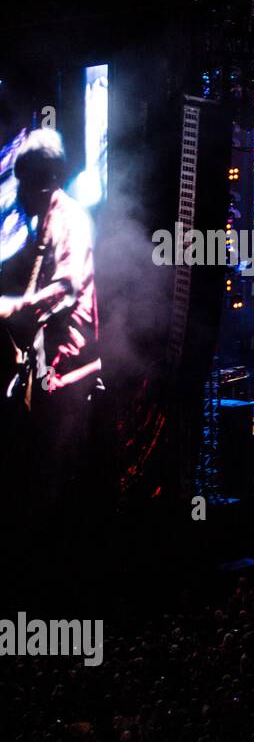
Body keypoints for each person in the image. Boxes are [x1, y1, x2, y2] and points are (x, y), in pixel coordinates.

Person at [0, 129, 102, 504]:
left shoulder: (69, 220)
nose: (20, 198)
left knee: (55, 472)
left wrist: (11, 307)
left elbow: (66, 288)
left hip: (69, 367)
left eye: (24, 186)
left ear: (40, 183)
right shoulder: (46, 219)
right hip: (50, 365)